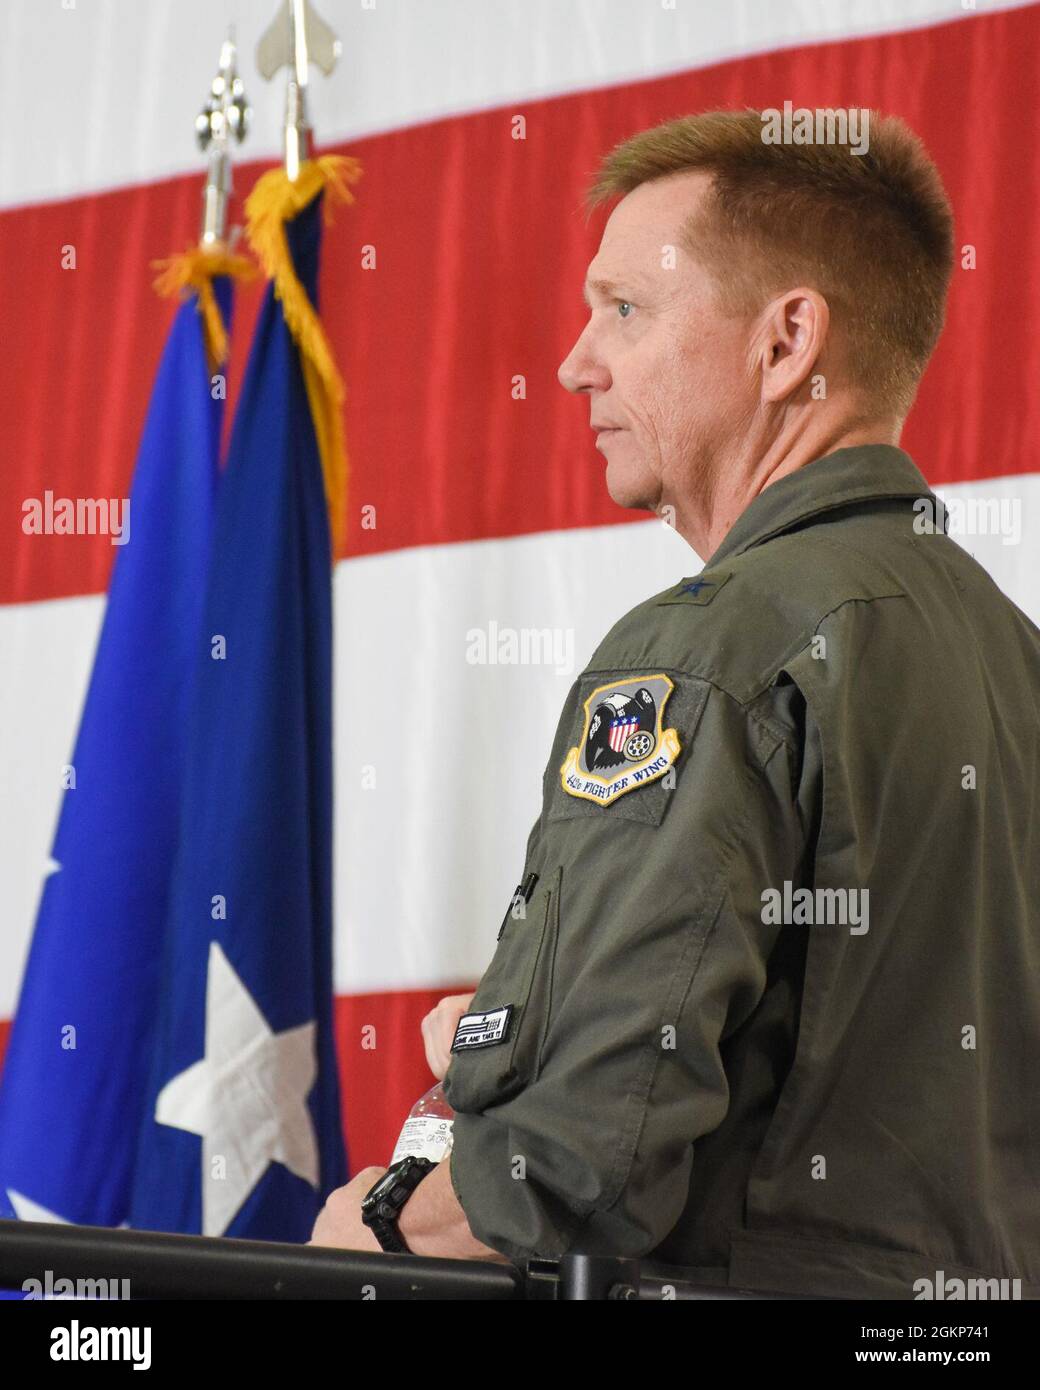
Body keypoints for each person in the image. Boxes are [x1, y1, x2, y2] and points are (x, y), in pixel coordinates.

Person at [310, 109, 1040, 1300]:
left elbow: (574, 1177)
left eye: (624, 309)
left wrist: (379, 1225)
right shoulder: (1016, 660)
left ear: (785, 340)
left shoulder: (710, 649)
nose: (574, 360)